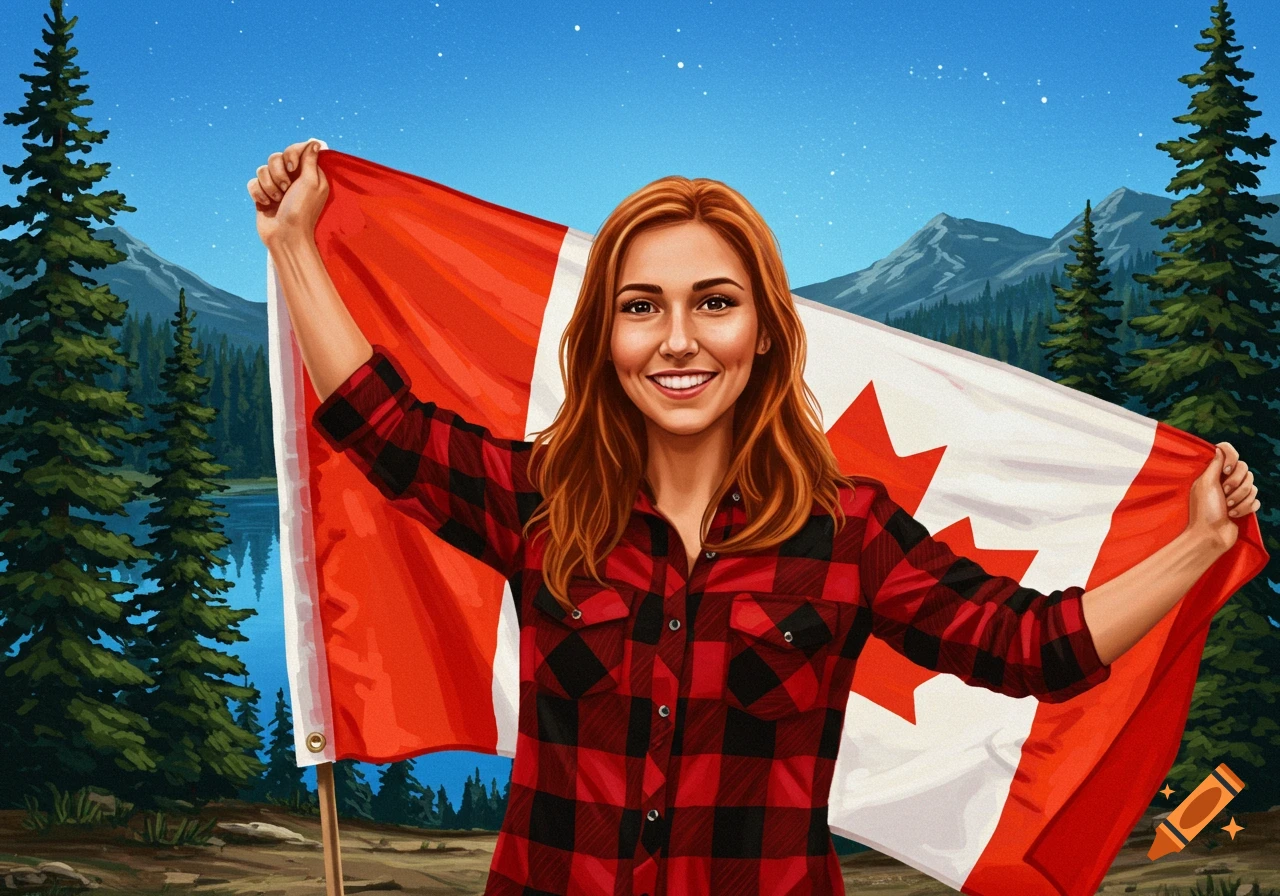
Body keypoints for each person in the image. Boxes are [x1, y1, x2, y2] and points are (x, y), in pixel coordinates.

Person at [250, 139, 1261, 896]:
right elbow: (381, 426)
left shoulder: (848, 531)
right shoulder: (543, 504)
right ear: (603, 334)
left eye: (713, 302)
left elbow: (1030, 646)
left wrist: (1197, 547)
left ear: (764, 332)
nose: (677, 340)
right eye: (641, 305)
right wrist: (293, 246)